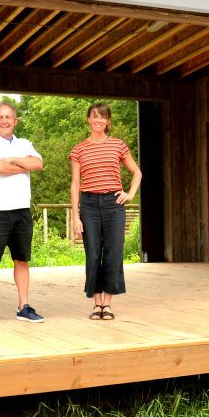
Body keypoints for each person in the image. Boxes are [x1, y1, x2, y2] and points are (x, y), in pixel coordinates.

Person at [69, 102, 142, 320]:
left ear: (108, 121)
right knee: (93, 255)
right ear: (88, 120)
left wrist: (130, 194)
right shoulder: (78, 149)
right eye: (94, 116)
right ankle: (96, 302)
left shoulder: (118, 146)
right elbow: (75, 184)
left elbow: (137, 173)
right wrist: (75, 217)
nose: (98, 120)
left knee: (113, 254)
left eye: (103, 117)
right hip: (89, 205)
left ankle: (107, 304)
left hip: (113, 204)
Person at [0, 102, 45, 327]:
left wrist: (12, 160)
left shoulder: (24, 143)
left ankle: (23, 307)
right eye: (0, 117)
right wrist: (22, 165)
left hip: (21, 211)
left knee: (22, 260)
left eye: (9, 117)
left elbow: (38, 163)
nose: (4, 121)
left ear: (15, 120)